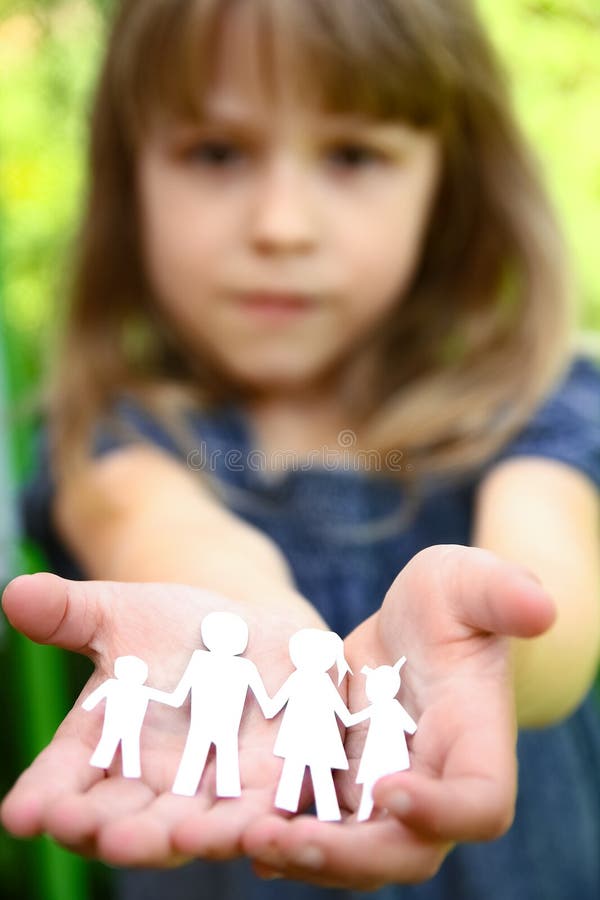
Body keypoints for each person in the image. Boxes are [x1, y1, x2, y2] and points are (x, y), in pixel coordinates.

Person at [2, 0, 600, 897]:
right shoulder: (122, 437)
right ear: (130, 182)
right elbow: (156, 529)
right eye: (216, 152)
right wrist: (243, 627)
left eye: (353, 155)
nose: (281, 226)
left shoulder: (536, 409)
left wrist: (475, 655)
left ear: (453, 186)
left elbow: (550, 590)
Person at [270, 629, 353, 822]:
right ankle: (326, 811)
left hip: (301, 733)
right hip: (319, 735)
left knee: (298, 769)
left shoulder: (301, 678)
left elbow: (274, 705)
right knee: (317, 772)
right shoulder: (321, 681)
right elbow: (343, 714)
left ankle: (287, 804)